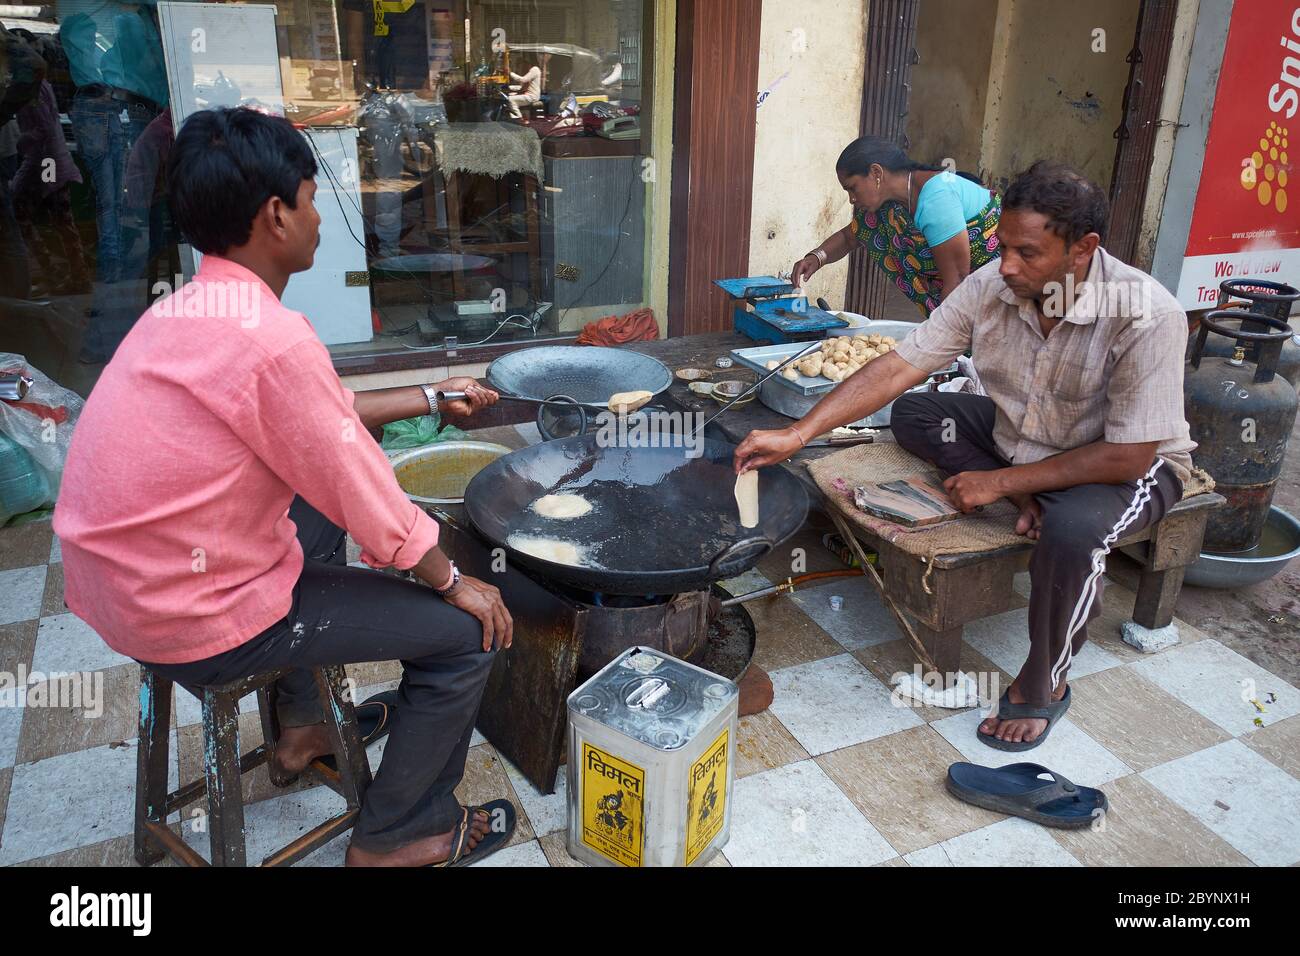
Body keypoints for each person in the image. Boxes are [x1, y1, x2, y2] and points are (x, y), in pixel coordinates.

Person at [54, 107, 519, 866]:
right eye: (309, 198)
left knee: (310, 505)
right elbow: (370, 500)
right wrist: (455, 580)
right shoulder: (270, 339)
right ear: (276, 214)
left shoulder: (184, 310)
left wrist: (432, 396)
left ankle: (302, 729)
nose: (318, 217)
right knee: (465, 637)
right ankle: (401, 834)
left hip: (119, 591)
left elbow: (311, 420)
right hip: (191, 614)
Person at [737, 161, 1194, 750]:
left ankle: (1043, 686)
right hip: (1024, 438)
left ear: (1083, 249)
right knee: (918, 413)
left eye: (1027, 253)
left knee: (1074, 531)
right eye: (1002, 245)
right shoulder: (992, 285)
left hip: (1120, 465)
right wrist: (798, 435)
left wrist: (996, 483)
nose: (1005, 266)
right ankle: (1032, 491)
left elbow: (1129, 457)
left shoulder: (1146, 313)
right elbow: (903, 365)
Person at [792, 136, 1002, 316]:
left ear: (876, 173)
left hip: (992, 296)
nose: (852, 199)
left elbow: (956, 280)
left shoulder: (937, 199)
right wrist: (816, 258)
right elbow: (851, 237)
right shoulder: (891, 206)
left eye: (853, 188)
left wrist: (937, 341)